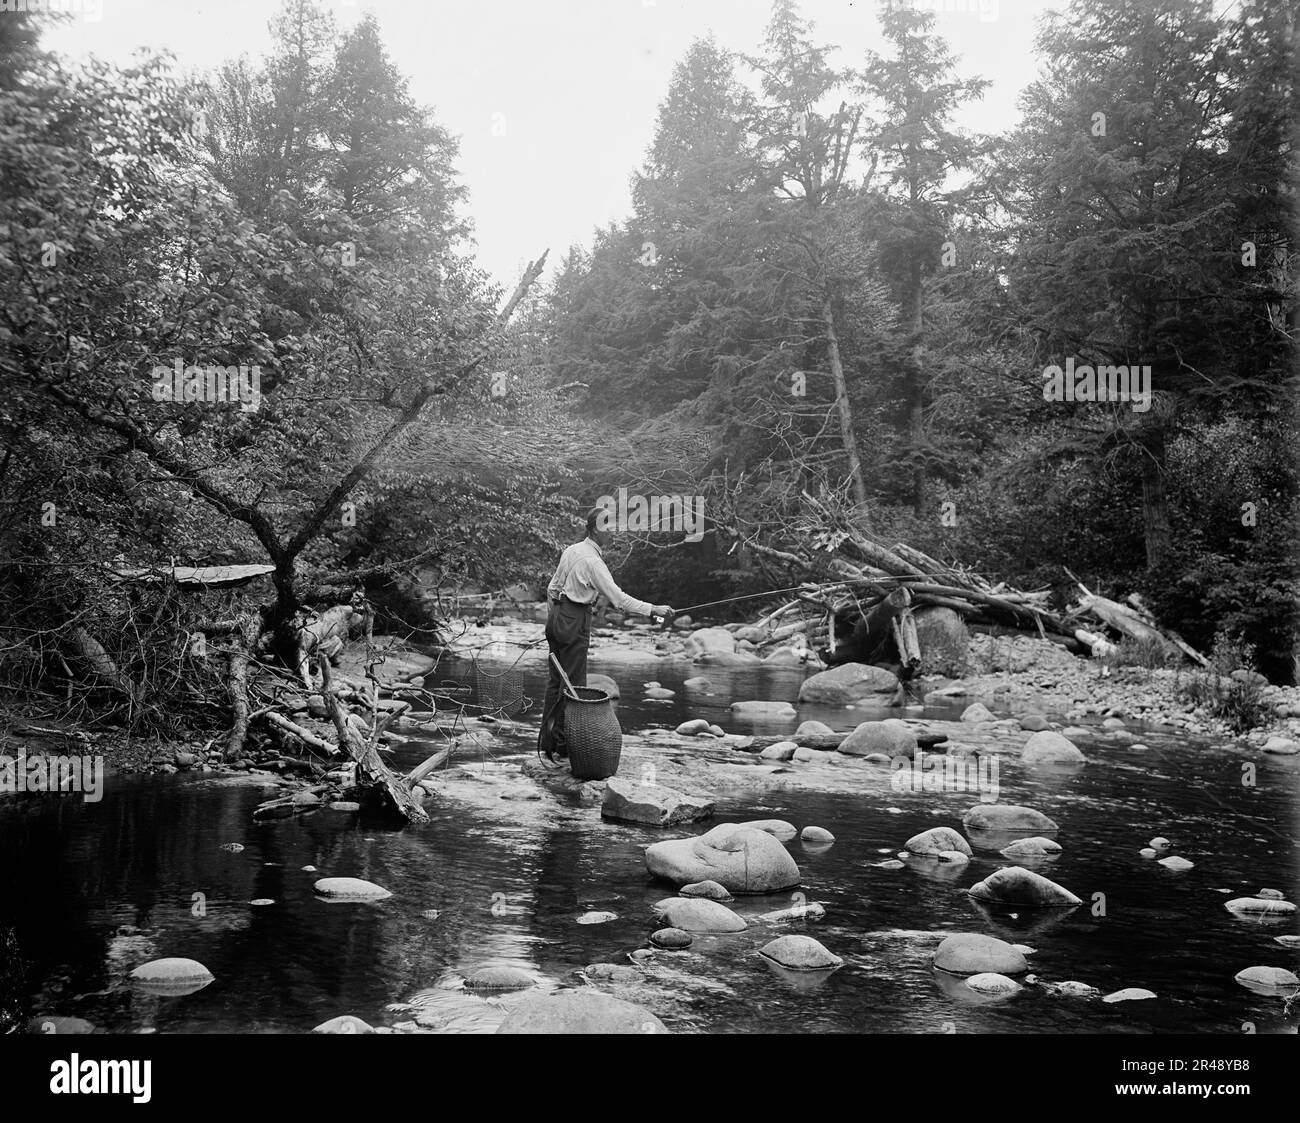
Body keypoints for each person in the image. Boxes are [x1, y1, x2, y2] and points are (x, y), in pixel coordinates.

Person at [538, 509, 673, 762]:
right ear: (596, 529)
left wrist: (554, 618)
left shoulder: (572, 549)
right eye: (609, 527)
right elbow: (618, 599)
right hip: (575, 619)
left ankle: (548, 742)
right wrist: (653, 609)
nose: (613, 532)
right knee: (573, 685)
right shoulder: (593, 562)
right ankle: (563, 746)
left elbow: (552, 588)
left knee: (556, 682)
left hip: (558, 616)